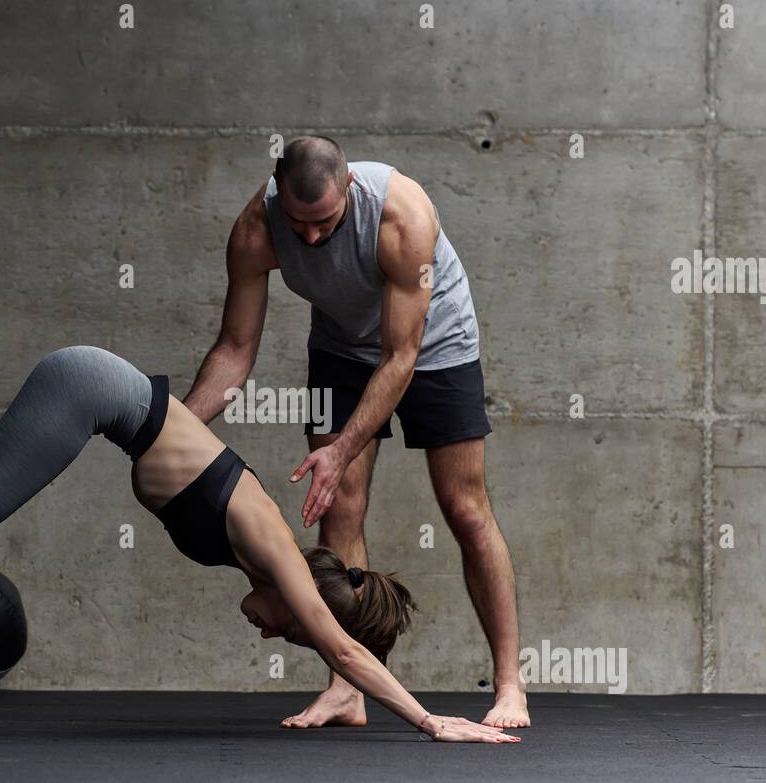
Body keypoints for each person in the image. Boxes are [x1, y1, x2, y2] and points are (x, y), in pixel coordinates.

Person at [0, 346, 521, 746]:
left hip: (104, 399)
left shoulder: (262, 553)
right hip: (88, 388)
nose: (264, 630)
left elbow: (333, 639)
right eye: (282, 628)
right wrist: (431, 721)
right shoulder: (273, 545)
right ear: (296, 605)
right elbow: (344, 650)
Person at [182, 135, 529, 731]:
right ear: (277, 191)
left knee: (465, 508)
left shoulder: (402, 214)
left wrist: (342, 449)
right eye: (299, 223)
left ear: (349, 188)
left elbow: (401, 356)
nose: (310, 238)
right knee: (337, 507)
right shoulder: (255, 229)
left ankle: (509, 683)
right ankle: (346, 687)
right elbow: (235, 349)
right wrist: (177, 429)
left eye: (324, 222)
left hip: (435, 344)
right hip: (340, 348)